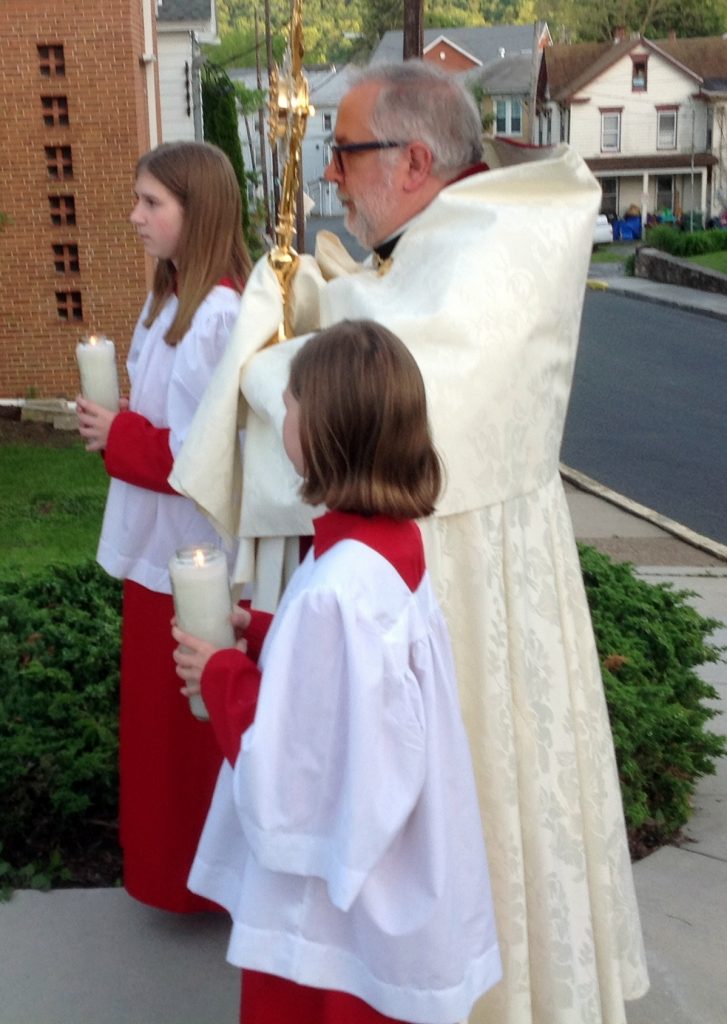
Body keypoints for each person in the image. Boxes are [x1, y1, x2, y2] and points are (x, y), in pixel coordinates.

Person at [170, 61, 649, 1021]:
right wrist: (317, 295)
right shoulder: (451, 235)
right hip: (424, 575)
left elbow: (379, 385)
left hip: (467, 584)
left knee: (435, 826)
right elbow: (377, 324)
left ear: (415, 161)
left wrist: (272, 335)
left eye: (344, 152)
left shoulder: (497, 247)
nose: (330, 175)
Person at [172, 319, 502, 1024]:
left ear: (324, 430)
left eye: (289, 403)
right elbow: (357, 684)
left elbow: (297, 769)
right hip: (396, 843)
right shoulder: (386, 545)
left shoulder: (337, 588)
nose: (281, 417)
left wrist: (222, 675)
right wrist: (266, 637)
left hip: (334, 895)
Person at [76, 140, 251, 913]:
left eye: (152, 203)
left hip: (196, 558)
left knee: (189, 731)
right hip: (159, 552)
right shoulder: (167, 299)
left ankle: (207, 886)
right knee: (157, 731)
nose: (134, 216)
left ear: (198, 210)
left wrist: (118, 434)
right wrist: (122, 419)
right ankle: (167, 875)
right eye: (137, 199)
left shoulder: (220, 315)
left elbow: (206, 457)